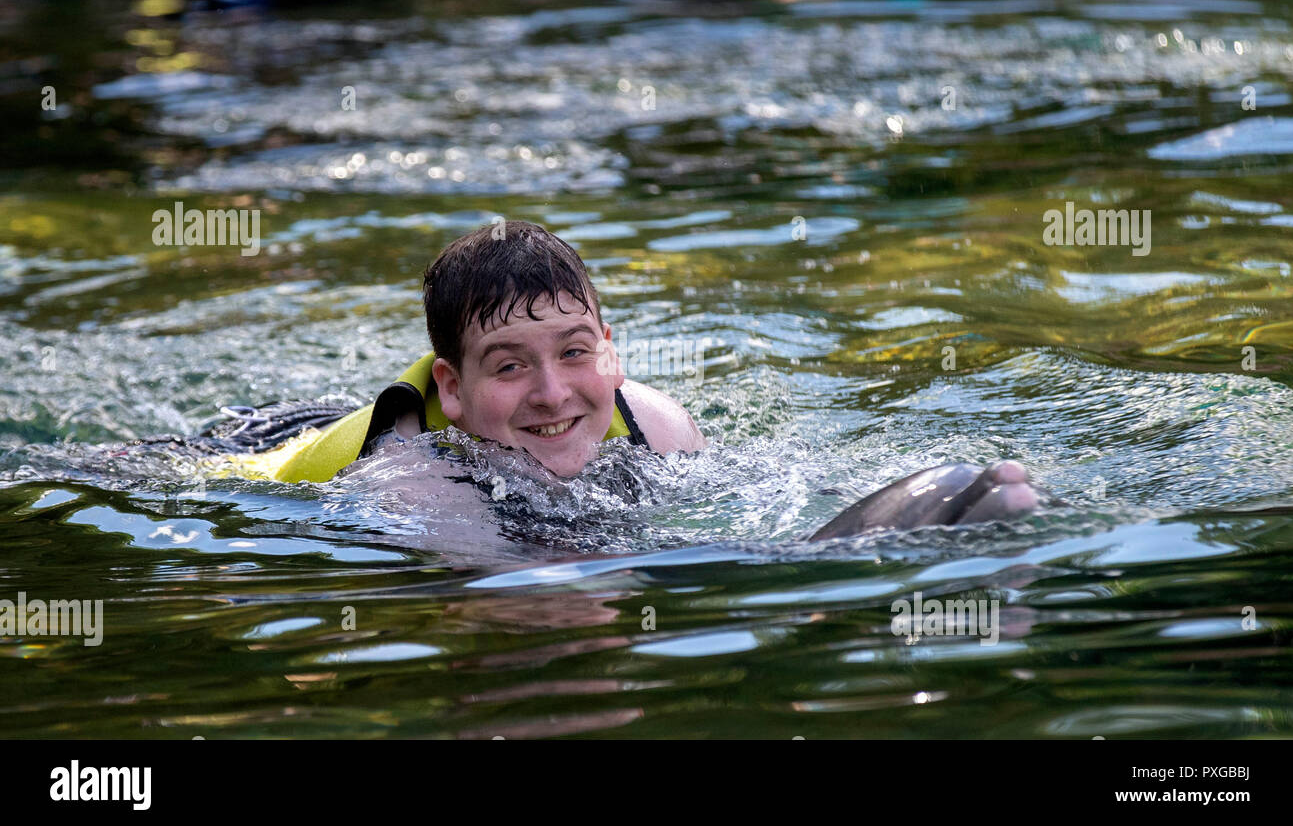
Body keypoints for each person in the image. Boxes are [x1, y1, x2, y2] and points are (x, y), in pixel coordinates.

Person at [199, 220, 1044, 537]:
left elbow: (769, 496)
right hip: (250, 448)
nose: (554, 393)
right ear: (451, 390)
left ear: (611, 349)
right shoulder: (421, 483)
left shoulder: (655, 424)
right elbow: (526, 593)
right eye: (509, 365)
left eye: (574, 351)